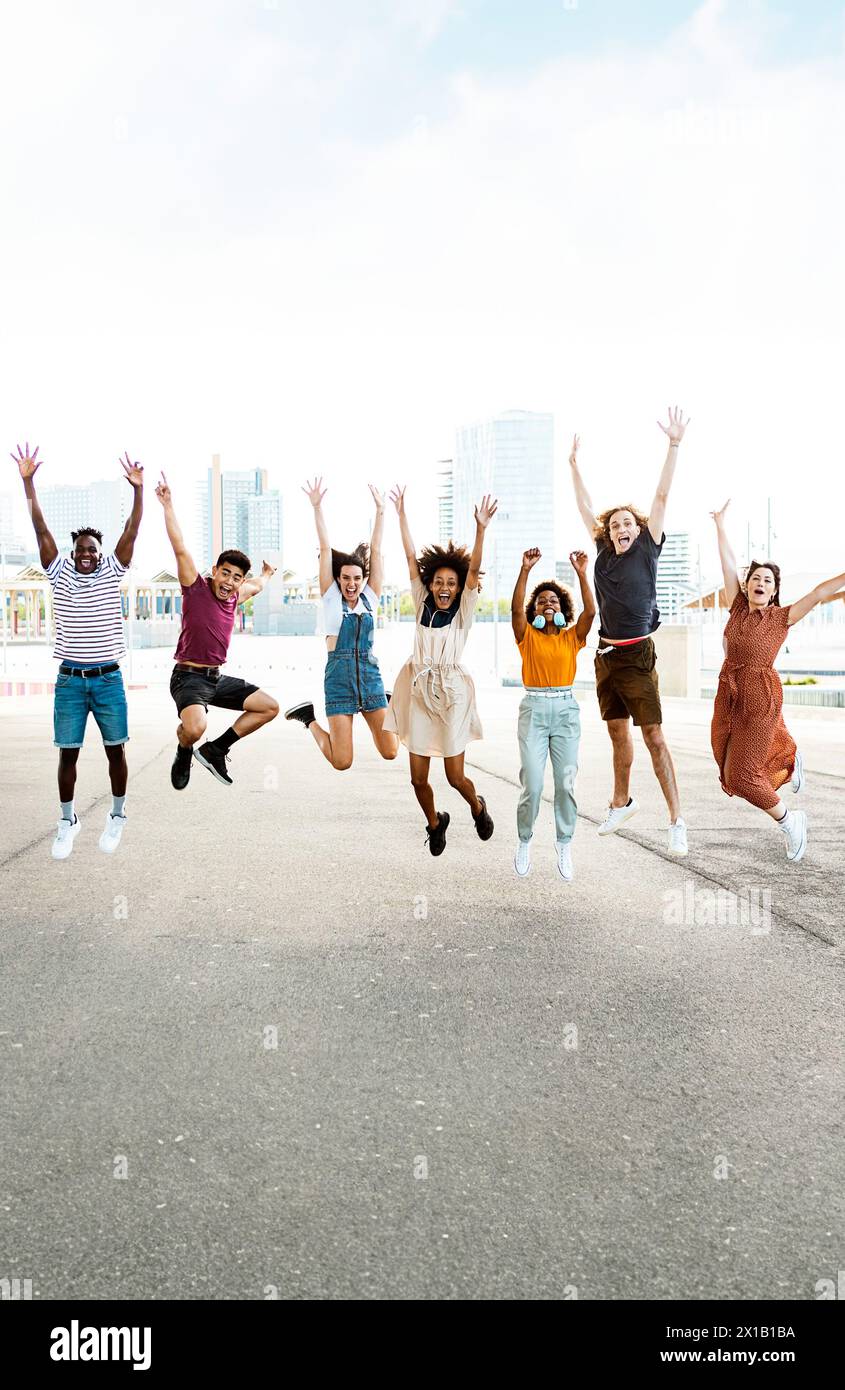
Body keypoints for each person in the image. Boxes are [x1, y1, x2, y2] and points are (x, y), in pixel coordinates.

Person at [13, 442, 144, 859]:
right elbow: (40, 528)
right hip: (70, 680)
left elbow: (132, 530)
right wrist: (28, 481)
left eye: (92, 549)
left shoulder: (112, 570)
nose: (87, 554)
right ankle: (67, 819)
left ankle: (118, 814)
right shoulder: (58, 572)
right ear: (73, 553)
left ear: (99, 553)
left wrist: (138, 491)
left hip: (108, 678)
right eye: (81, 549)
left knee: (115, 750)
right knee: (67, 754)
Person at [568, 409, 690, 855]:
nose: (621, 528)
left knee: (653, 736)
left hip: (638, 654)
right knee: (617, 734)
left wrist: (673, 445)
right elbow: (585, 508)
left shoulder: (646, 549)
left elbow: (660, 493)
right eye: (615, 524)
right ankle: (621, 802)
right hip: (604, 656)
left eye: (627, 523)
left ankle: (678, 820)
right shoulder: (603, 550)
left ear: (639, 530)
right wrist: (574, 466)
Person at [709, 500, 845, 863]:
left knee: (741, 776)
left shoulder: (781, 618)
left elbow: (818, 593)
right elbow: (726, 564)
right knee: (724, 764)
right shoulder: (736, 607)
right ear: (747, 585)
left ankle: (789, 820)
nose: (760, 582)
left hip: (760, 696)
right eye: (755, 578)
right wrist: (720, 525)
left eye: (767, 580)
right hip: (729, 693)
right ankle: (791, 757)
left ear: (773, 591)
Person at [385, 485, 496, 855]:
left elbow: (476, 569)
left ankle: (477, 807)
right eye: (439, 582)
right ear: (429, 584)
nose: (444, 587)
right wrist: (401, 514)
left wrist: (480, 529)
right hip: (418, 691)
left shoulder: (464, 609)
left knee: (453, 776)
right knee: (418, 779)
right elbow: (410, 554)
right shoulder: (420, 602)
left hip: (451, 694)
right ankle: (435, 823)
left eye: (451, 582)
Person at [155, 473, 279, 788]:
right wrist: (168, 505)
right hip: (188, 677)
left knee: (269, 707)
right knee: (195, 728)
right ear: (215, 571)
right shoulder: (195, 588)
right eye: (225, 574)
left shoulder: (239, 593)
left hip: (216, 678)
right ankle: (186, 749)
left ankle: (216, 749)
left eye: (236, 577)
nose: (229, 582)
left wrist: (265, 574)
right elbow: (180, 548)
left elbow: (259, 586)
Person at [285, 478, 398, 768]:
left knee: (390, 751)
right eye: (346, 578)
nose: (351, 583)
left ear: (363, 580)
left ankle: (388, 701)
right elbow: (325, 547)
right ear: (338, 579)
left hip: (370, 677)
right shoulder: (330, 598)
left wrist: (380, 509)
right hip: (339, 680)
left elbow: (376, 547)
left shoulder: (371, 597)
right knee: (342, 761)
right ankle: (307, 718)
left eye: (357, 578)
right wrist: (316, 507)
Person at [511, 548, 596, 881]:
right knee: (532, 783)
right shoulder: (526, 636)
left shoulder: (572, 637)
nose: (549, 604)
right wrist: (525, 569)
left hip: (566, 712)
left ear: (563, 609)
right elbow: (515, 608)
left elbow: (592, 610)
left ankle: (564, 843)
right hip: (533, 709)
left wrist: (581, 573)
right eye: (542, 601)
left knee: (565, 782)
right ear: (535, 609)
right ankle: (524, 840)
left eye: (555, 601)